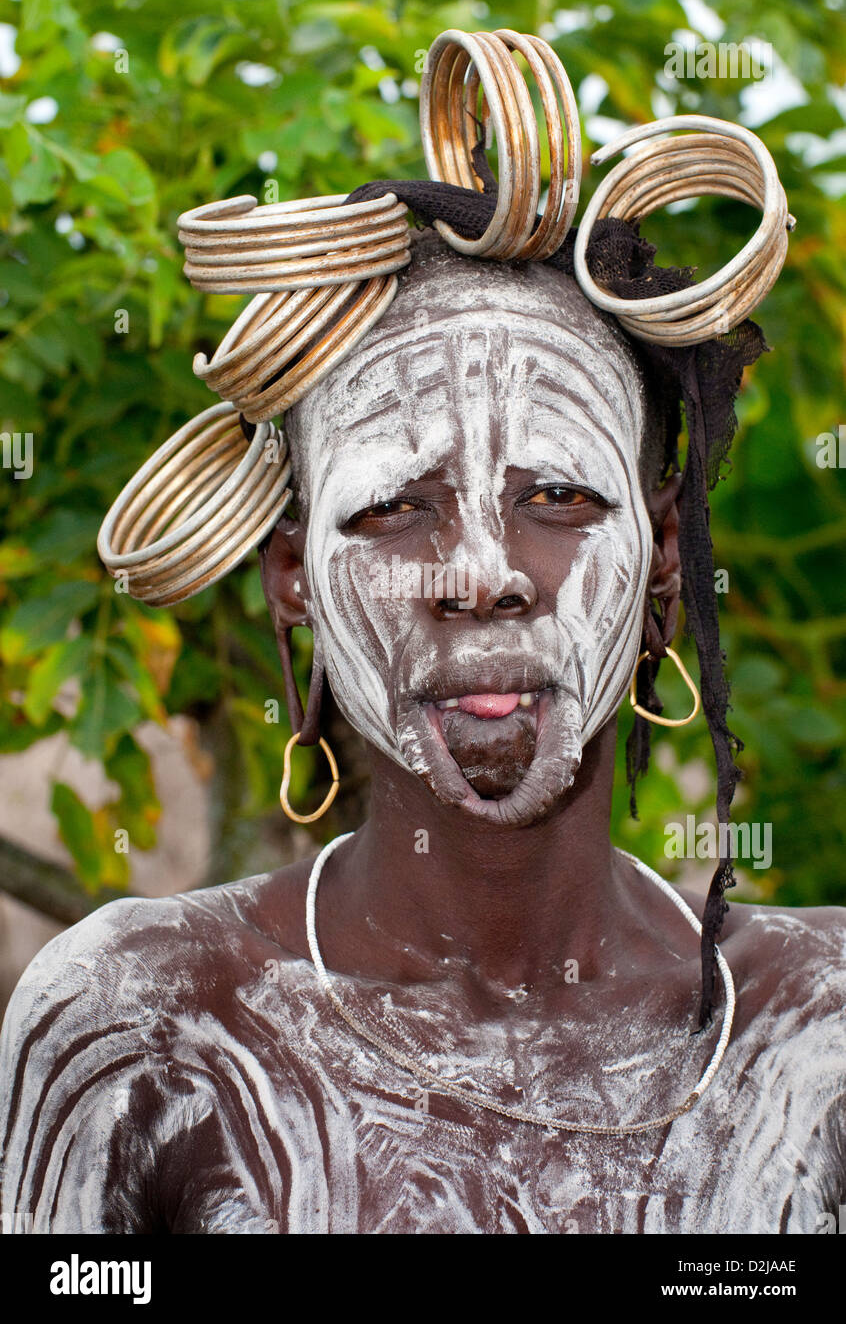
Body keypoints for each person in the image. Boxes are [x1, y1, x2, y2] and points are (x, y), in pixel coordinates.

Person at [1, 229, 844, 1234]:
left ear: (665, 551)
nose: (482, 575)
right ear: (294, 572)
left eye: (558, 498)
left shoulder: (813, 1029)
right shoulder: (147, 1019)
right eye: (396, 507)